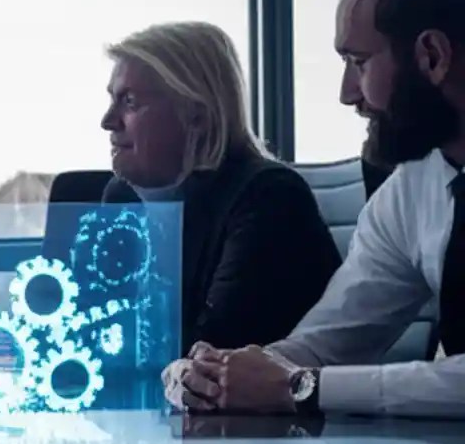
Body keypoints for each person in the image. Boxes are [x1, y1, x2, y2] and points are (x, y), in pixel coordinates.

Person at [169, 0, 465, 418]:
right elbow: (328, 342)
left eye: (358, 62)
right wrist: (215, 373)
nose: (348, 94)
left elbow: (304, 379)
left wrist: (303, 387)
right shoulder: (413, 190)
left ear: (431, 56)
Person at [98, 22, 339, 360]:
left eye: (130, 102)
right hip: (161, 409)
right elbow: (96, 334)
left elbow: (213, 351)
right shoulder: (122, 197)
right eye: (113, 100)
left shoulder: (269, 198)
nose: (108, 121)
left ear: (196, 115)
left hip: (258, 411)